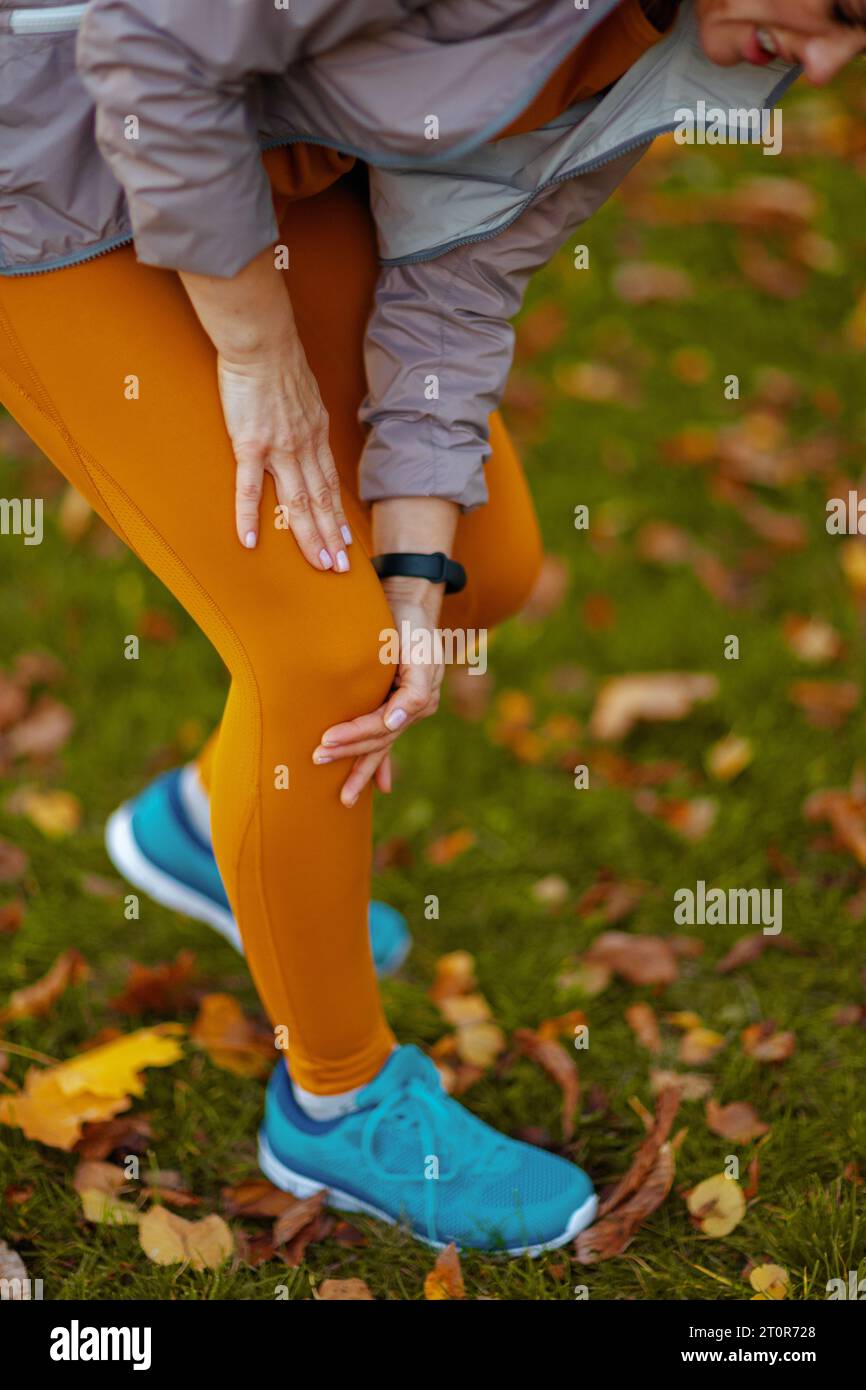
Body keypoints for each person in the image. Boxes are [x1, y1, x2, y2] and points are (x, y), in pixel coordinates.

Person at [1, 0, 863, 1254]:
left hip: (263, 157)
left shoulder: (701, 37)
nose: (830, 63)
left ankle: (211, 829)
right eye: (836, 10)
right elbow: (148, 48)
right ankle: (335, 1101)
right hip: (55, 151)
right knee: (325, 657)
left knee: (477, 567)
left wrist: (411, 572)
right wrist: (255, 354)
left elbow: (463, 272)